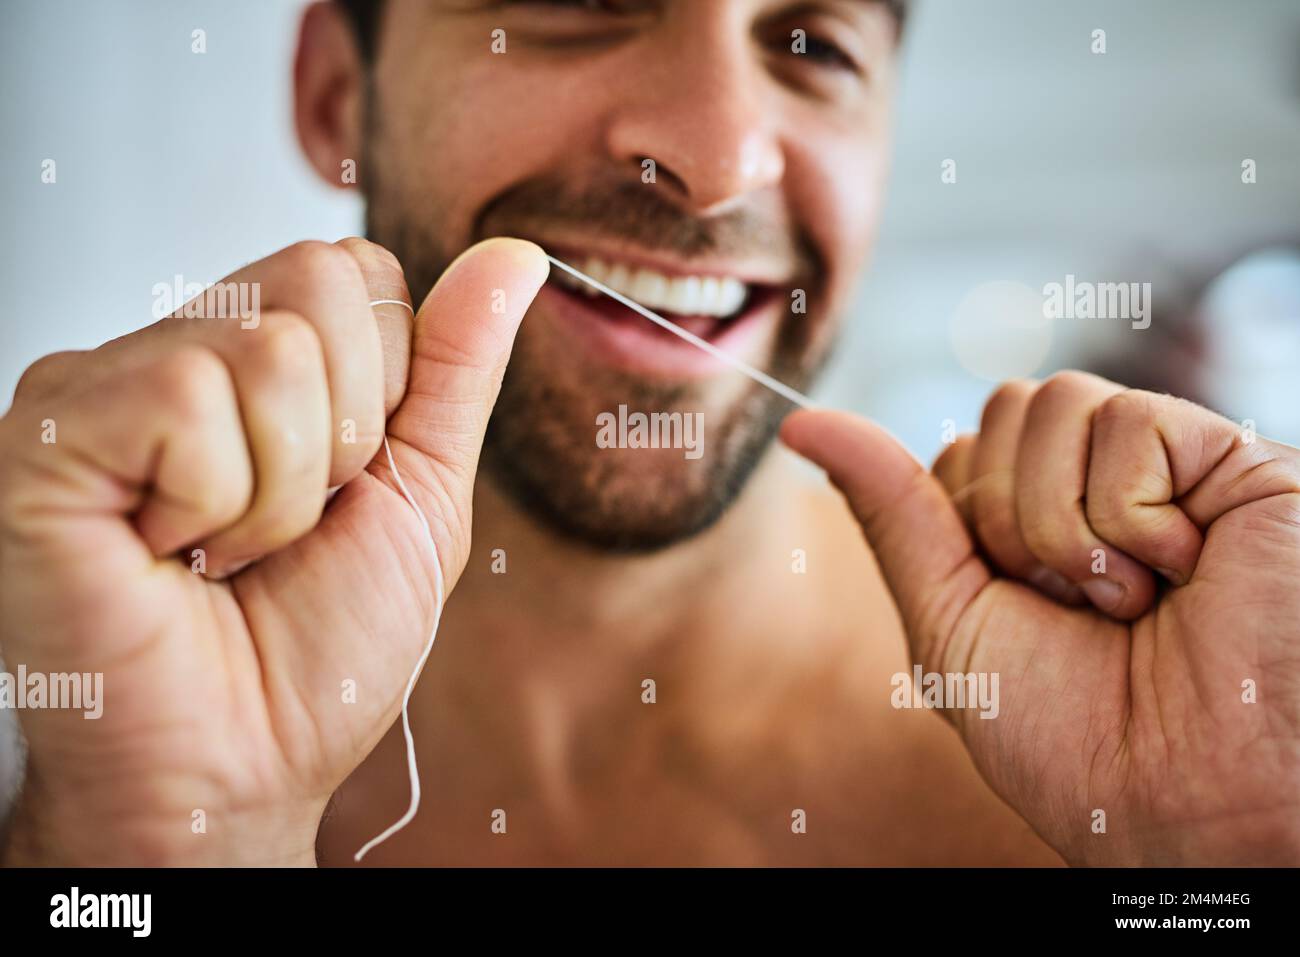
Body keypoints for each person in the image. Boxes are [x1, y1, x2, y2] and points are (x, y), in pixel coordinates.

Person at [1, 0, 1296, 867]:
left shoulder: (1108, 790)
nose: (723, 155)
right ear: (342, 96)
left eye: (810, 41)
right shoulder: (95, 719)